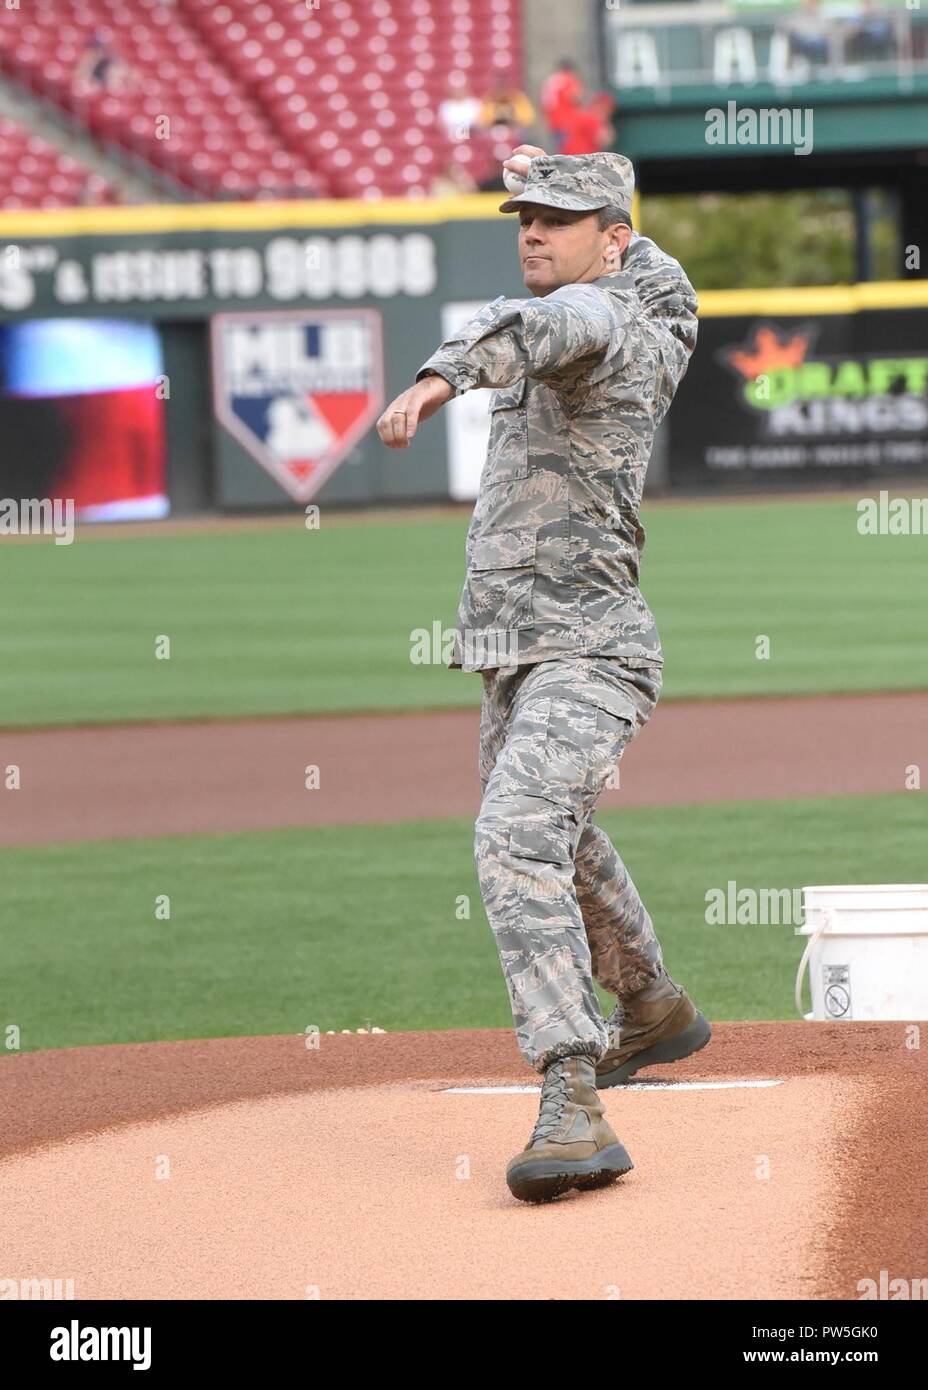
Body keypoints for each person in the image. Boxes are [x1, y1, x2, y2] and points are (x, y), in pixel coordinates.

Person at [376, 147, 709, 1204]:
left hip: (592, 646)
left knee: (514, 831)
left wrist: (437, 376)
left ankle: (572, 1091)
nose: (533, 231)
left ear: (614, 236)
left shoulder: (607, 320)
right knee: (555, 836)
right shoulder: (586, 296)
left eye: (559, 218)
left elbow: (542, 330)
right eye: (525, 215)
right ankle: (649, 1000)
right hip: (517, 649)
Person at [540, 58, 582, 153]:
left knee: (558, 154)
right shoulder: (569, 79)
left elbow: (544, 103)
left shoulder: (550, 81)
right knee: (569, 156)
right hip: (567, 122)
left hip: (553, 122)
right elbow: (575, 98)